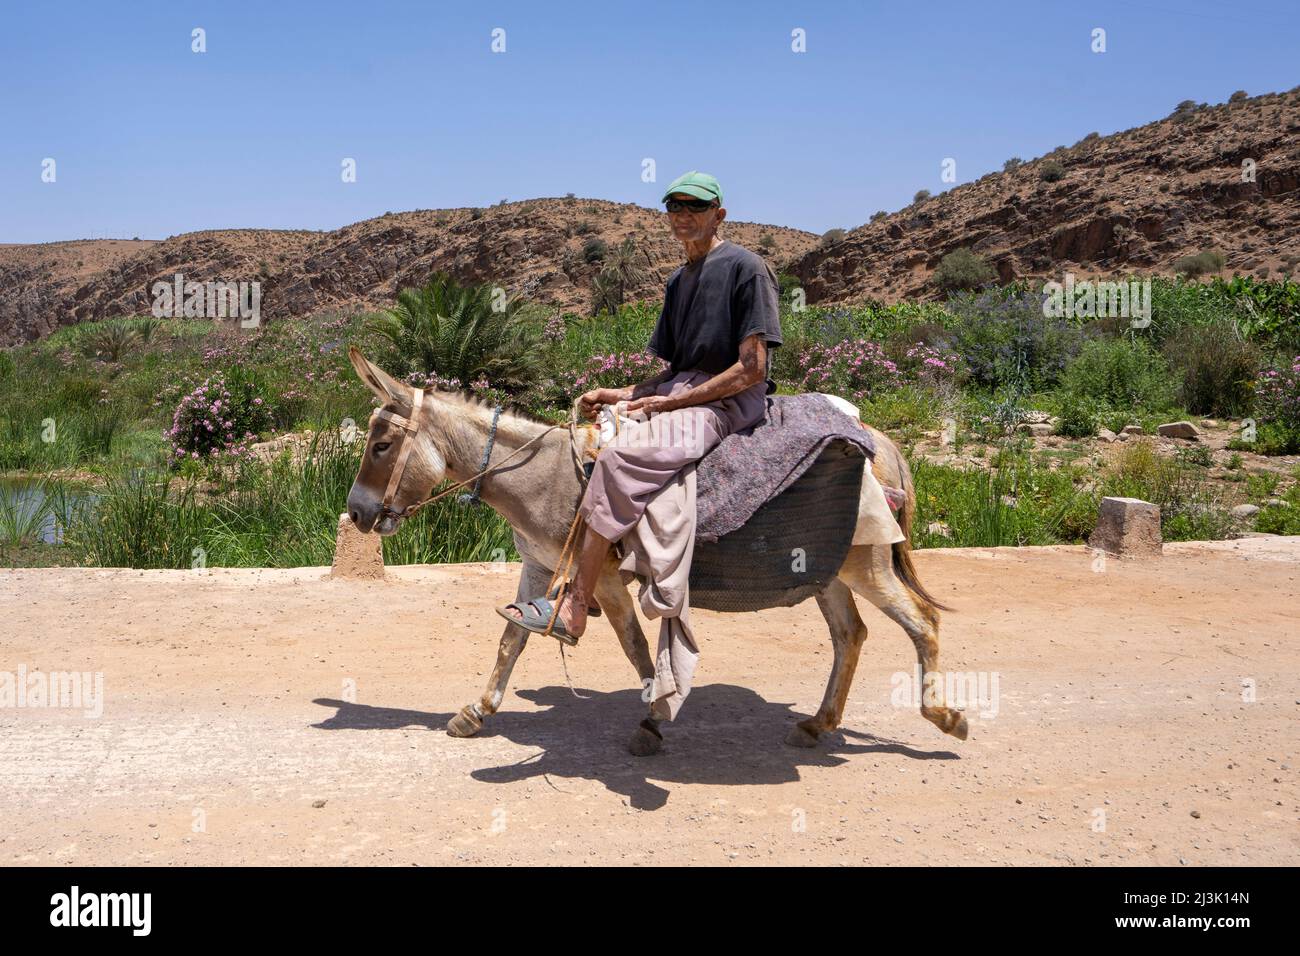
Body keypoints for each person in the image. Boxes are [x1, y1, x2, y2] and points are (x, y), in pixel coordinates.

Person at [498, 171, 783, 643]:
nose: (684, 216)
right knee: (591, 444)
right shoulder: (679, 280)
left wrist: (675, 402)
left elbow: (751, 369)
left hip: (730, 399)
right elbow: (672, 373)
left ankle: (576, 603)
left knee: (621, 457)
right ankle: (614, 560)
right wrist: (618, 395)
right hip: (687, 391)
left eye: (695, 207)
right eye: (675, 208)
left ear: (719, 214)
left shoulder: (746, 268)